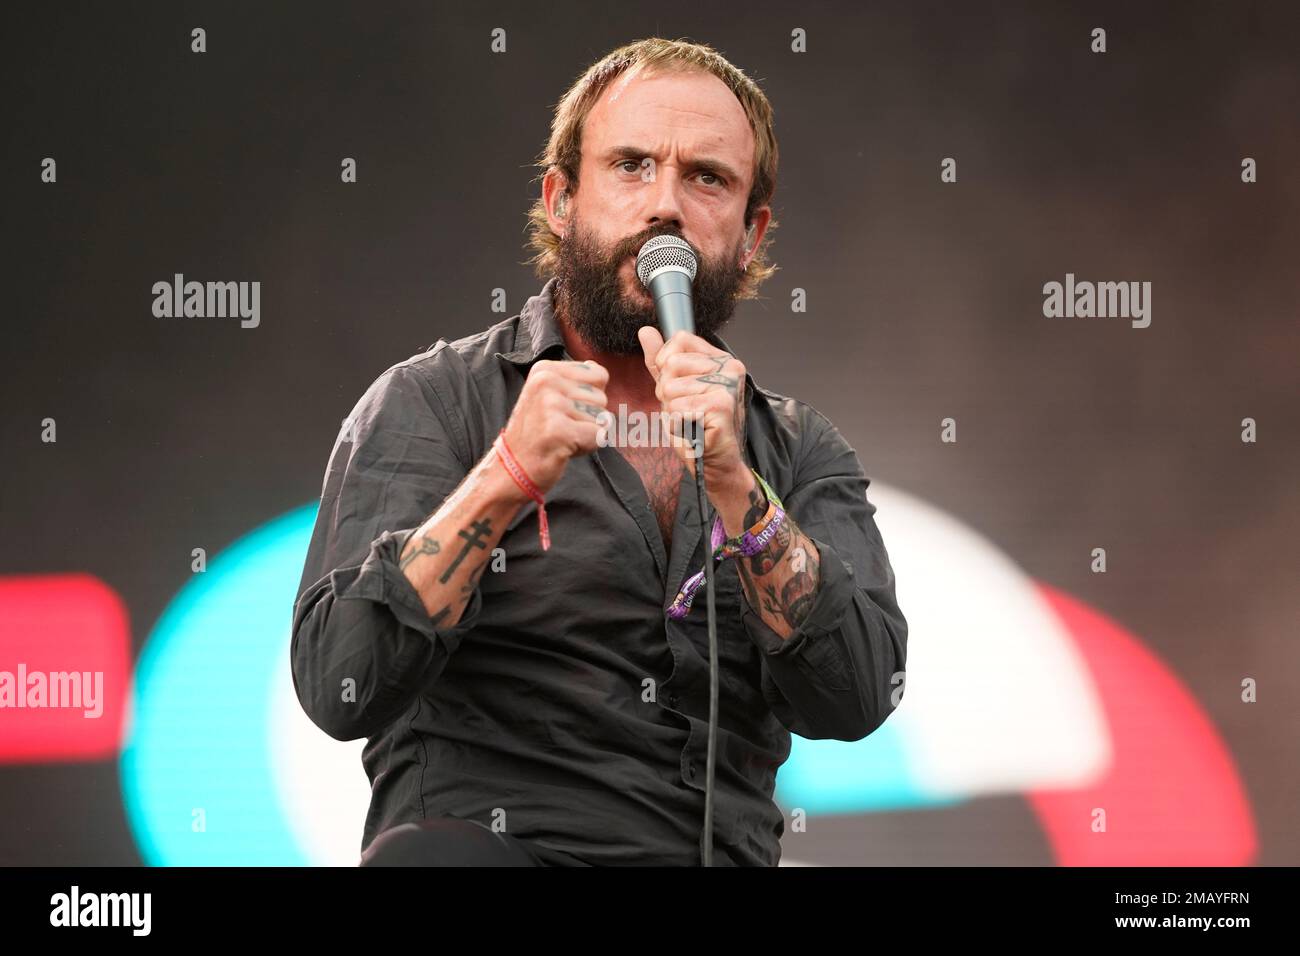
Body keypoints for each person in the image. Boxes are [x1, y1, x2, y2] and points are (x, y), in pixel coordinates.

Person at [291, 37, 907, 867]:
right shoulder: (435, 402)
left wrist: (738, 490)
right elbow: (341, 684)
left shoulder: (796, 448)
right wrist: (504, 478)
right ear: (561, 200)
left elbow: (859, 696)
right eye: (630, 165)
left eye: (707, 178)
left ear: (751, 233)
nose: (665, 205)